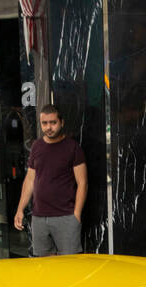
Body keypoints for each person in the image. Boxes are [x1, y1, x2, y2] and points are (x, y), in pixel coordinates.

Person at [14, 104, 87, 255]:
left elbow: (82, 183)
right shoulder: (36, 146)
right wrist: (20, 209)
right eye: (44, 123)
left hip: (66, 217)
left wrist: (76, 215)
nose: (49, 127)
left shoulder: (72, 147)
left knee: (70, 266)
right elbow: (29, 180)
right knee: (43, 267)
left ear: (62, 122)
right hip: (39, 217)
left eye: (53, 122)